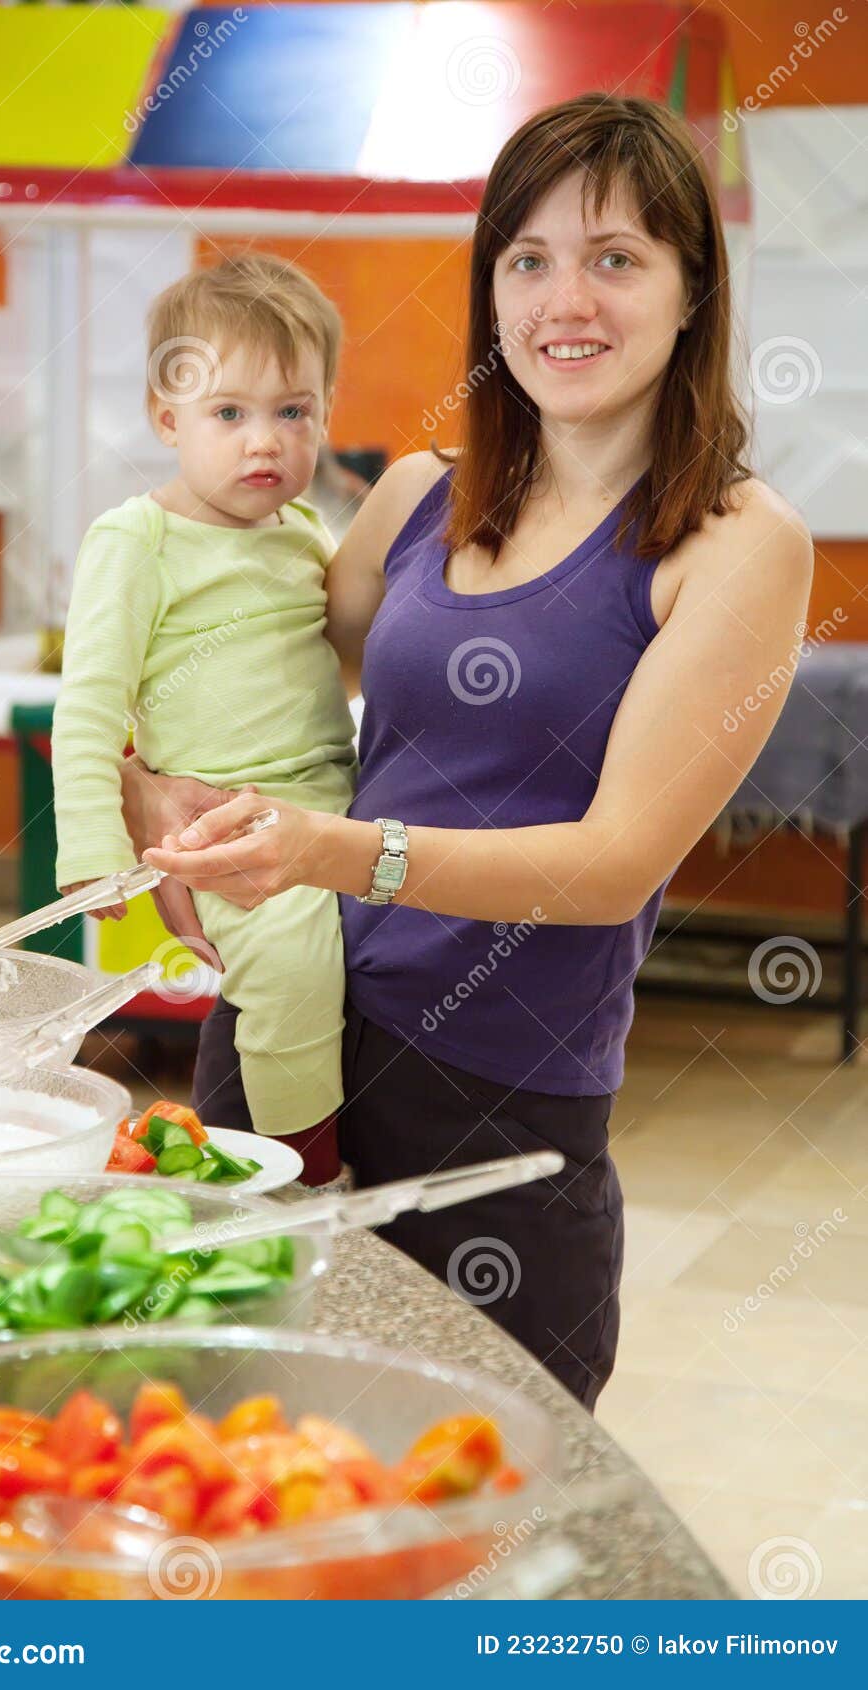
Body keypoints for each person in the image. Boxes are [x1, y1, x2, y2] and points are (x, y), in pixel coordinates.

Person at [126, 94, 813, 1411]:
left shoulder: (732, 543)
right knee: (229, 1445)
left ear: (688, 290)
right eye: (527, 257)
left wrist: (325, 850)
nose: (567, 297)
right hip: (288, 1033)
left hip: (497, 1092)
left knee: (476, 1505)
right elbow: (240, 674)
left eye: (615, 257)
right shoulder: (414, 497)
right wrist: (150, 786)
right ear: (490, 286)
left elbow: (610, 866)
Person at [52, 255, 357, 1161]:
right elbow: (89, 707)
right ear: (167, 419)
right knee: (292, 957)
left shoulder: (306, 534)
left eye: (291, 412)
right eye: (229, 414)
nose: (264, 441)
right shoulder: (136, 539)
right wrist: (92, 850)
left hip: (333, 795)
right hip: (222, 818)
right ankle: (298, 1155)